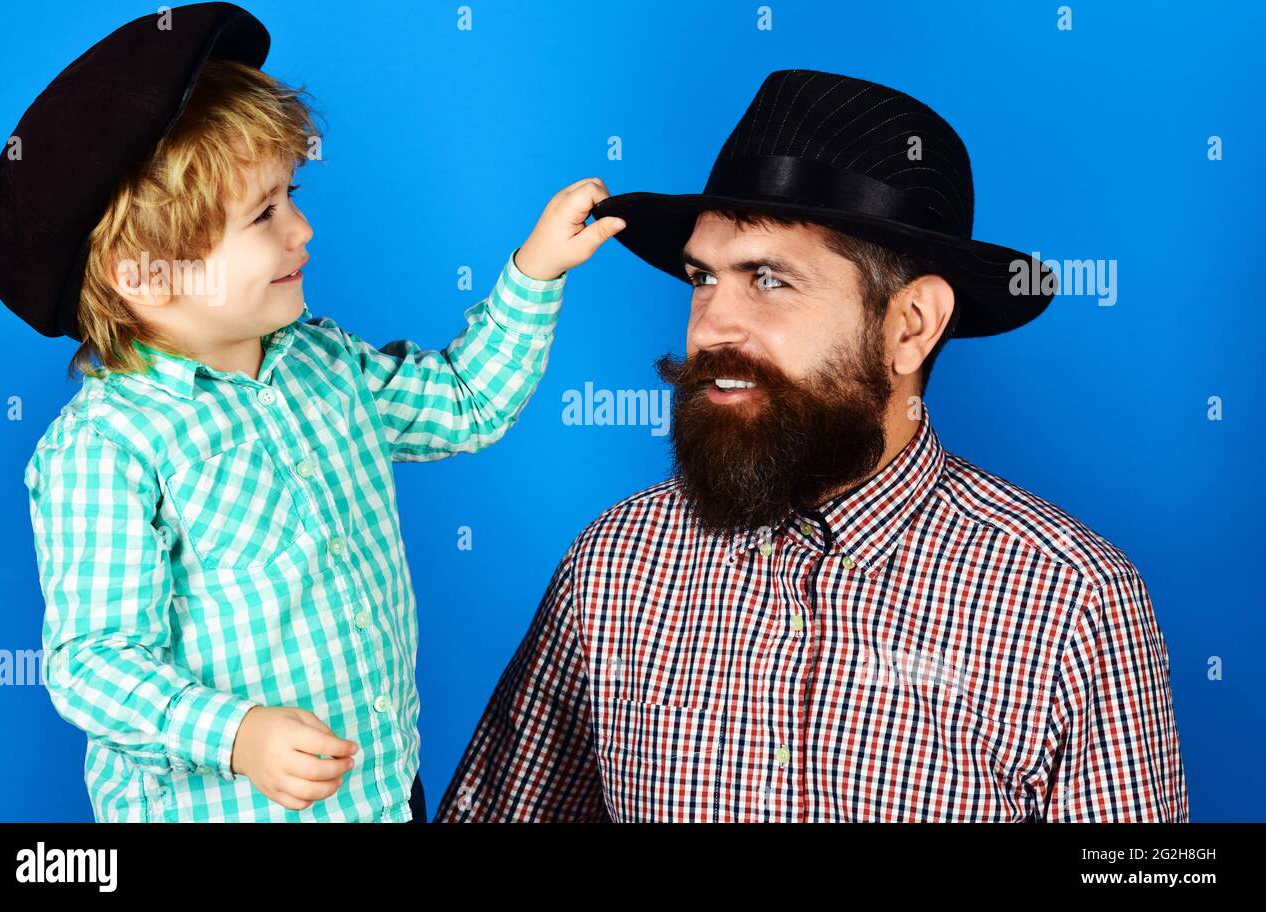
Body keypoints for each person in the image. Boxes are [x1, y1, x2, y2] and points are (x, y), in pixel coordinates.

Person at [434, 69, 1188, 823]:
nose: (709, 329)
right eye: (703, 277)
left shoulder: (1071, 600)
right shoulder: (614, 566)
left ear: (911, 325)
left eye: (767, 278)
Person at [0, 2, 623, 822]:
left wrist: (535, 272)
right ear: (142, 276)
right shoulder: (108, 446)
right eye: (265, 215)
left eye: (292, 194)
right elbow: (95, 662)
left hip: (381, 794)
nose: (305, 229)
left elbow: (466, 402)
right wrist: (238, 732)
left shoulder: (327, 363)